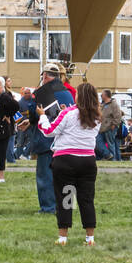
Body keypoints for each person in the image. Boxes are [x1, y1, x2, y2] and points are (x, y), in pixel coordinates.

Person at [40, 80, 101, 245]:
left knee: (66, 198)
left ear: (78, 96)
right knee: (86, 199)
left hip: (66, 160)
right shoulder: (97, 117)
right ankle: (90, 237)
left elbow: (49, 131)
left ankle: (63, 237)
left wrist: (42, 116)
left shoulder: (68, 113)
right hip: (88, 160)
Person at [31, 64, 74, 213]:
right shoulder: (68, 93)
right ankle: (68, 205)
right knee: (66, 175)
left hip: (47, 140)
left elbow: (35, 112)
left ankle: (48, 207)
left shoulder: (43, 92)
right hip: (66, 141)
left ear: (45, 76)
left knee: (45, 176)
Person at [0, 76, 19, 183]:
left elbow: (16, 106)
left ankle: (1, 177)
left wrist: (8, 114)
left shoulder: (5, 96)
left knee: (0, 153)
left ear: (2, 86)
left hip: (2, 130)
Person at [97, 90, 123, 161]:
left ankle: (113, 160)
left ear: (106, 95)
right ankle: (108, 154)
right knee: (97, 141)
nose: (101, 96)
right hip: (102, 128)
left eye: (102, 95)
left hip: (110, 128)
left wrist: (114, 125)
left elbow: (118, 115)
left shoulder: (114, 104)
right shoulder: (102, 104)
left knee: (111, 144)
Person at [15, 88, 35, 159]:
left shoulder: (33, 101)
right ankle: (18, 156)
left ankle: (25, 154)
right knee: (20, 141)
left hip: (31, 123)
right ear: (23, 94)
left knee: (33, 139)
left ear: (30, 93)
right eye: (25, 93)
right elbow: (16, 115)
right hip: (22, 124)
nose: (27, 94)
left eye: (28, 93)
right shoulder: (20, 102)